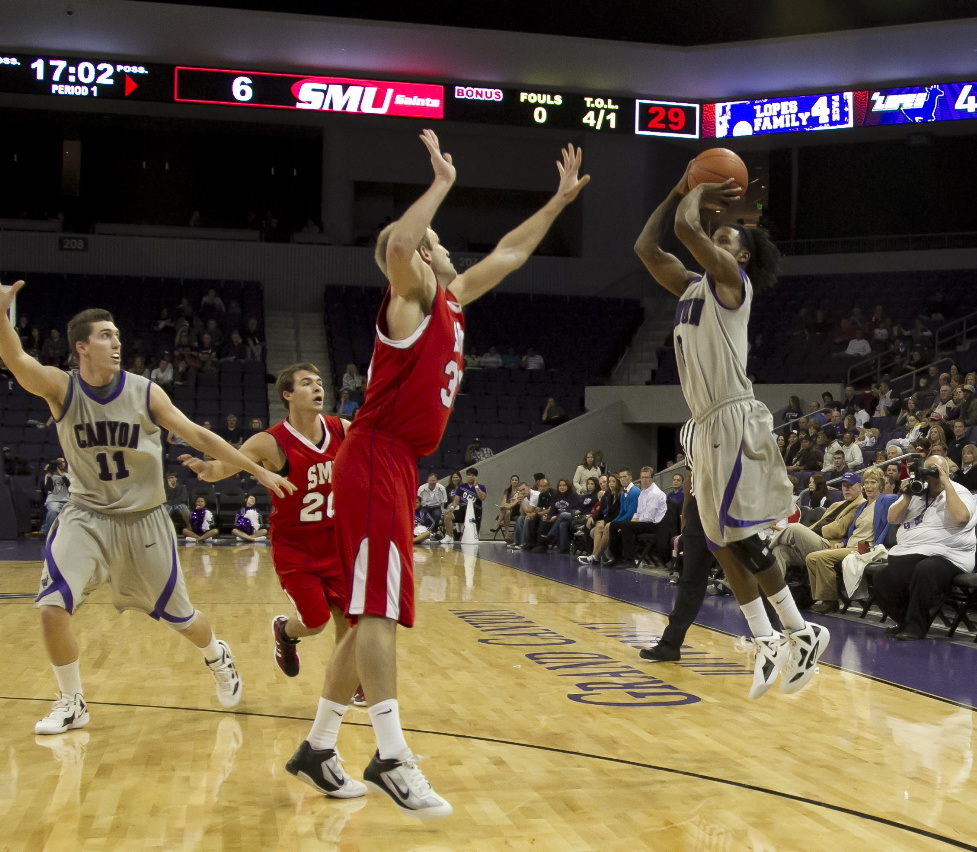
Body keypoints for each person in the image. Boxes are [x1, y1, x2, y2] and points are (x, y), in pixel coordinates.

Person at [286, 129, 588, 817]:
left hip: (395, 462)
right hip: (375, 457)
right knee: (379, 611)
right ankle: (391, 756)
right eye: (438, 241)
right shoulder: (407, 302)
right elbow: (396, 248)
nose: (448, 248)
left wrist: (557, 203)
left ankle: (319, 747)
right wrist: (441, 184)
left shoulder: (451, 299)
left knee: (366, 617)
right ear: (422, 256)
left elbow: (509, 254)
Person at [0, 283, 294, 736]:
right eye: (105, 336)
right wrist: (2, 315)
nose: (116, 343)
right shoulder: (62, 387)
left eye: (117, 335)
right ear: (82, 347)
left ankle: (216, 654)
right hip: (86, 515)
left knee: (184, 621)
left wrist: (257, 471)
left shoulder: (144, 392)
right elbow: (17, 360)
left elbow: (199, 435)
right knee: (51, 607)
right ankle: (72, 701)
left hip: (144, 521)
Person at [634, 167, 828, 700]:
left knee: (738, 537)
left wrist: (697, 191)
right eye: (715, 235)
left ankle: (801, 631)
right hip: (704, 425)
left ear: (740, 257)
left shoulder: (732, 285)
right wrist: (677, 190)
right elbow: (647, 247)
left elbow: (686, 229)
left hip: (733, 418)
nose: (714, 242)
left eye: (724, 239)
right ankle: (767, 639)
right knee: (718, 543)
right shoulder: (688, 286)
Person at [180, 363, 357, 679]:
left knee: (349, 617)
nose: (317, 387)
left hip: (337, 542)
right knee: (315, 622)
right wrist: (210, 471)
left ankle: (349, 681)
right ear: (288, 394)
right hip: (297, 549)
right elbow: (226, 466)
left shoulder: (342, 428)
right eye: (307, 383)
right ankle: (285, 632)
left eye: (319, 382)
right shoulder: (270, 441)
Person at [873, 456, 977, 640]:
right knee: (881, 576)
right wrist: (906, 496)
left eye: (937, 470)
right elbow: (892, 519)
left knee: (925, 570)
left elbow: (961, 518)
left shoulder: (960, 492)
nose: (933, 475)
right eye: (929, 470)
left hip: (951, 556)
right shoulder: (917, 489)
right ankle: (905, 621)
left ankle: (916, 628)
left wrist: (946, 483)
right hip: (912, 553)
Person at [640, 421, 718, 661]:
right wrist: (685, 513)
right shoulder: (691, 428)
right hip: (699, 508)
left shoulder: (734, 416)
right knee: (690, 579)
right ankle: (670, 643)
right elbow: (690, 475)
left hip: (730, 506)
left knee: (751, 574)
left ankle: (778, 636)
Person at [804, 467, 897, 613]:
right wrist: (843, 541)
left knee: (818, 558)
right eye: (867, 482)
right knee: (811, 558)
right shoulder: (863, 506)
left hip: (865, 548)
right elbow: (852, 530)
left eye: (873, 482)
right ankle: (818, 598)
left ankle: (830, 601)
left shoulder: (885, 500)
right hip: (850, 546)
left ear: (880, 485)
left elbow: (895, 499)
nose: (869, 486)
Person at [441, 467, 486, 542]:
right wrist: (451, 508)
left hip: (475, 511)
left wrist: (476, 486)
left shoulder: (481, 487)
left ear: (475, 477)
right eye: (468, 475)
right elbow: (456, 500)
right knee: (447, 515)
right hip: (463, 510)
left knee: (473, 536)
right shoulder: (461, 487)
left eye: (472, 475)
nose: (470, 477)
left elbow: (482, 497)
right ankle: (449, 536)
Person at [40, 457, 71, 538]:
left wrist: (62, 475)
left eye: (63, 462)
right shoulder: (49, 476)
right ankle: (44, 532)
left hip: (67, 500)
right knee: (53, 511)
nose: (61, 463)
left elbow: (69, 487)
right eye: (59, 462)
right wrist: (49, 475)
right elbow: (49, 488)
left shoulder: (68, 475)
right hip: (53, 500)